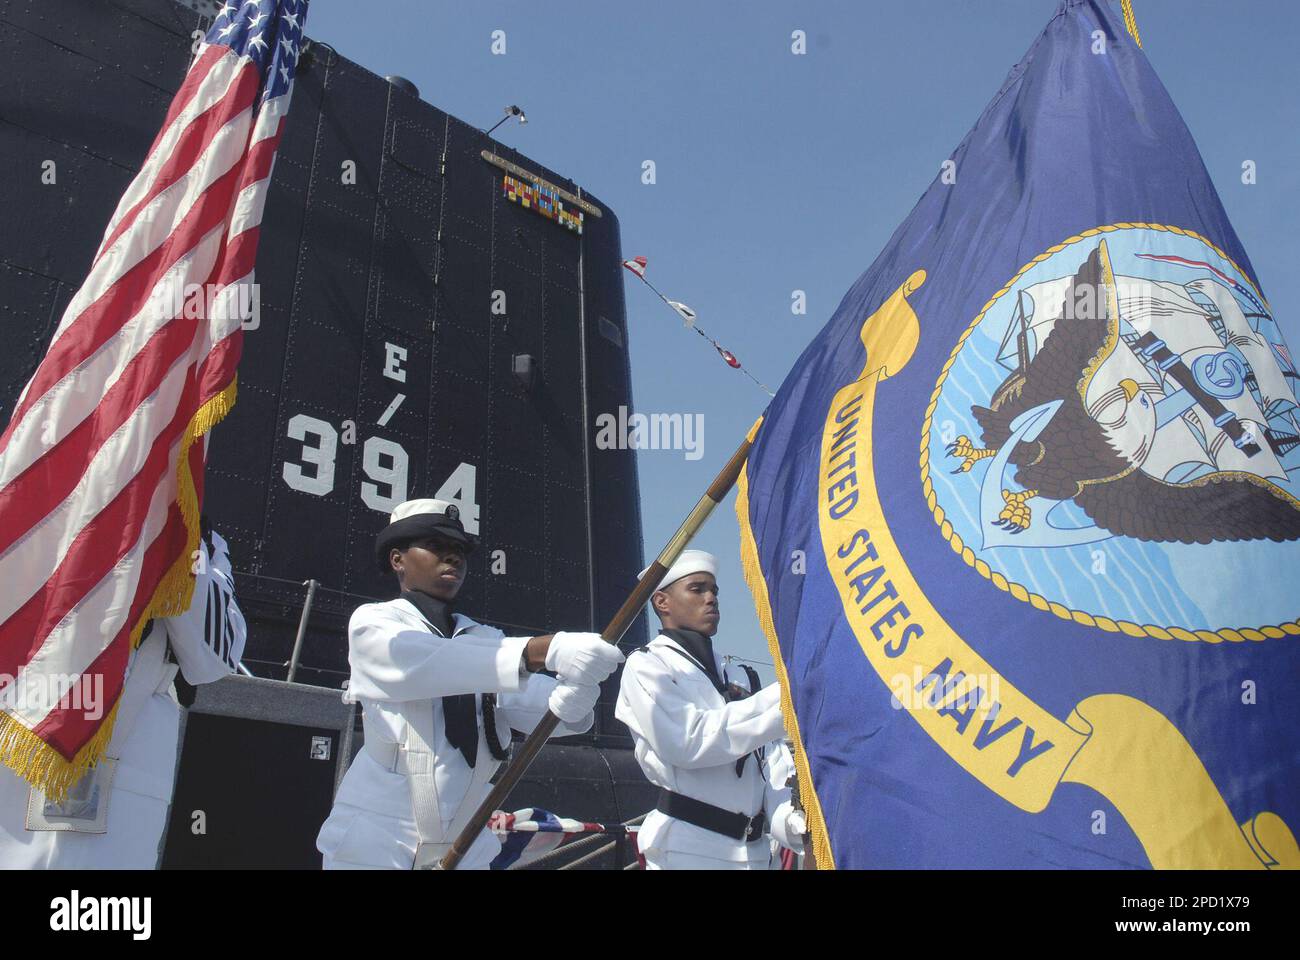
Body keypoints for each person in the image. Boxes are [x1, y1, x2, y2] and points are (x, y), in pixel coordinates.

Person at [317, 498, 624, 870]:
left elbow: (539, 708)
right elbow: (423, 663)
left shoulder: (484, 640)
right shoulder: (375, 626)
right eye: (435, 547)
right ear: (398, 559)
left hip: (466, 842)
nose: (453, 558)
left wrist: (575, 697)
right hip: (379, 835)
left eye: (459, 550)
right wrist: (543, 649)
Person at [0, 519, 246, 869]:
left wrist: (181, 534)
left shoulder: (193, 531)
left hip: (119, 759)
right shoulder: (31, 494)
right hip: (16, 731)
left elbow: (213, 656)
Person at [616, 549, 805, 869]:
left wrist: (792, 821)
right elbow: (688, 742)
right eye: (697, 589)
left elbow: (771, 764)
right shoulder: (647, 666)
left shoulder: (742, 676)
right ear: (662, 602)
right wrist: (790, 697)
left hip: (757, 855)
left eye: (714, 590)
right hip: (688, 851)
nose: (711, 598)